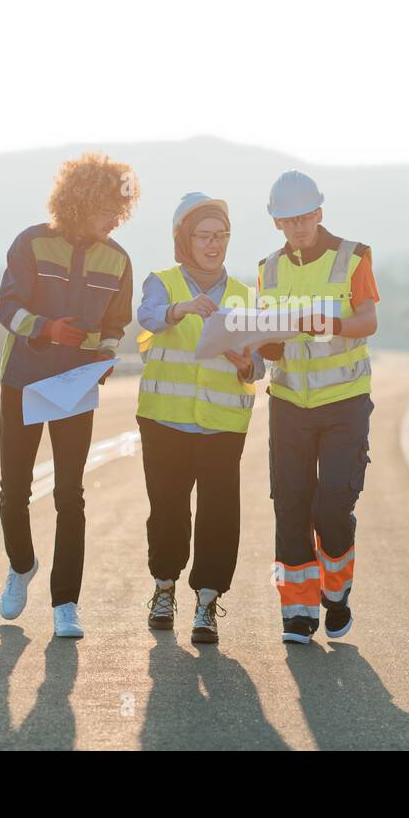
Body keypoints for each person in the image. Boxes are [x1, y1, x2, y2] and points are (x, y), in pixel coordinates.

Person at [0, 151, 137, 639]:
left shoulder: (118, 259)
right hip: (24, 381)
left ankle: (66, 605)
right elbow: (6, 309)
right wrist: (48, 329)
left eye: (123, 209)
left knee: (69, 495)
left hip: (75, 388)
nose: (117, 218)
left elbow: (117, 325)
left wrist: (106, 357)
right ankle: (21, 565)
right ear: (81, 202)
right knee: (14, 491)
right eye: (109, 208)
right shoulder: (31, 243)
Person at [135, 192, 265, 644]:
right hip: (164, 421)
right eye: (204, 236)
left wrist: (243, 361)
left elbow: (259, 365)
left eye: (222, 235)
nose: (214, 244)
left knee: (219, 516)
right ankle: (164, 589)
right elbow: (146, 317)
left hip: (222, 425)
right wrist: (181, 310)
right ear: (183, 240)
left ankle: (207, 604)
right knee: (168, 510)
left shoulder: (246, 296)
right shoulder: (164, 282)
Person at [257, 170, 379, 644]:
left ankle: (337, 592)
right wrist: (262, 342)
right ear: (277, 224)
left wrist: (331, 322)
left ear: (319, 213)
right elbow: (267, 334)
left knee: (331, 504)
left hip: (343, 401)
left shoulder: (354, 257)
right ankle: (298, 613)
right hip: (288, 402)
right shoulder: (267, 268)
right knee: (289, 505)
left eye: (305, 218)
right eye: (288, 221)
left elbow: (368, 320)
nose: (298, 228)